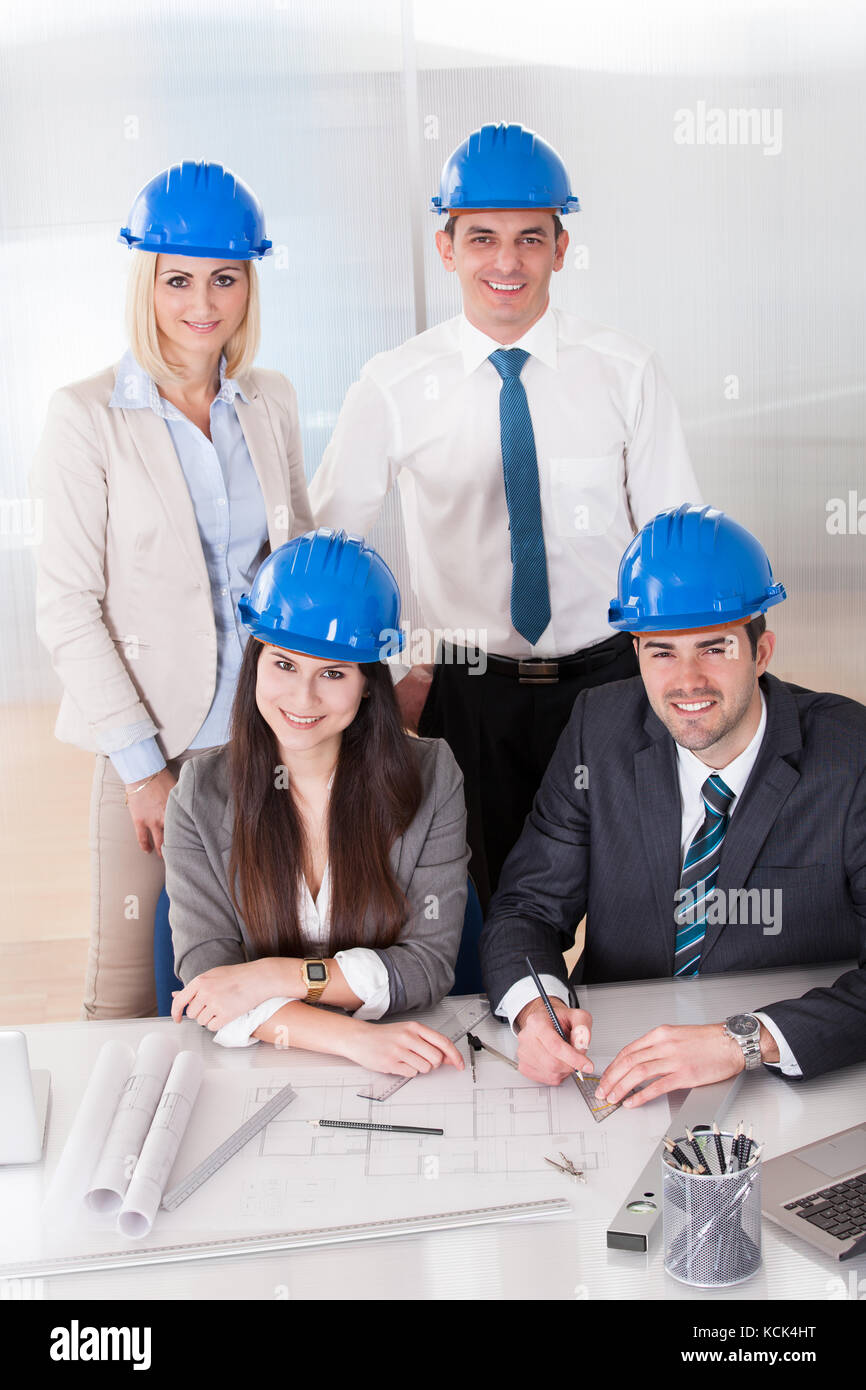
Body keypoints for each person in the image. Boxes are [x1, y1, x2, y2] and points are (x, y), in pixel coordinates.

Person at [310, 122, 702, 909]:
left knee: (639, 896)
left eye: (530, 238)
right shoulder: (392, 385)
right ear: (446, 246)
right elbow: (328, 554)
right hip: (469, 689)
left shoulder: (624, 374)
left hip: (611, 679)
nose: (506, 263)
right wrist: (386, 680)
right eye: (481, 237)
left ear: (562, 247)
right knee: (493, 908)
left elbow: (677, 549)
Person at [30, 160, 314, 1020]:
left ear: (249, 284)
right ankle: (115, 1160)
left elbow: (293, 566)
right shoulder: (86, 416)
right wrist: (143, 768)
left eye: (225, 278)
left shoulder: (270, 402)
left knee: (256, 971)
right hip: (155, 751)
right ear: (144, 281)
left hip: (270, 739)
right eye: (178, 279)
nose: (203, 302)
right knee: (127, 990)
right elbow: (68, 607)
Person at [480, 503, 866, 1091]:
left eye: (714, 648)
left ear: (761, 653)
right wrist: (537, 1009)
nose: (687, 681)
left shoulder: (850, 754)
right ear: (635, 653)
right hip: (612, 1064)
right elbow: (527, 908)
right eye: (661, 652)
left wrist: (743, 1039)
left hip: (786, 1077)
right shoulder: (598, 729)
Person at [164, 529, 470, 1076]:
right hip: (285, 1062)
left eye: (332, 673)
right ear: (255, 660)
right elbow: (209, 980)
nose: (303, 699)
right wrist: (352, 1040)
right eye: (284, 665)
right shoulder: (197, 796)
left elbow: (428, 966)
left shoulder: (433, 775)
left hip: (401, 1058)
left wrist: (267, 976)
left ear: (369, 683)